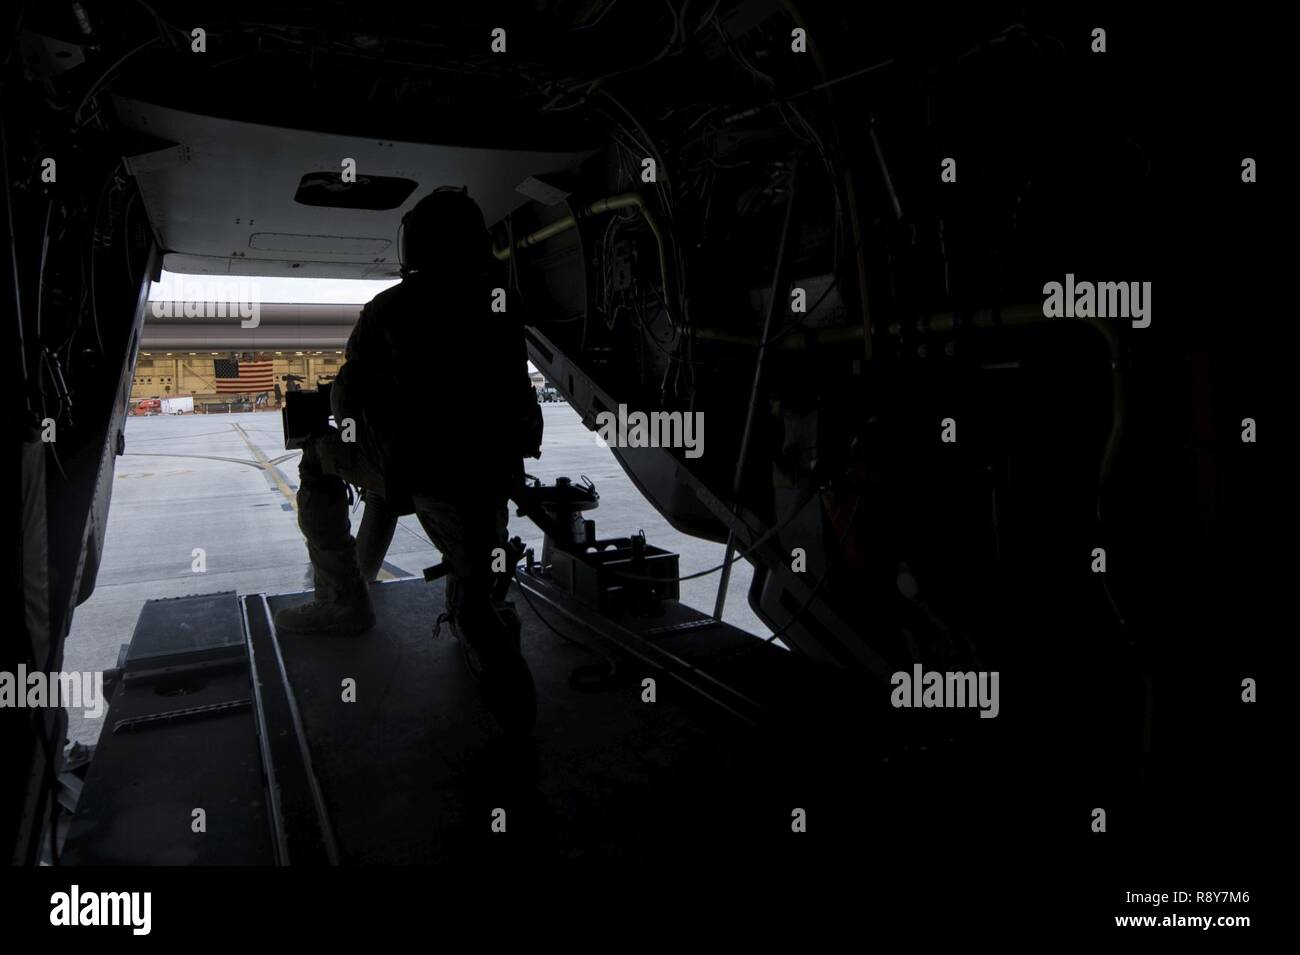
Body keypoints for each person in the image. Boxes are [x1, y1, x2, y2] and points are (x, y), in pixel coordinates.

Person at [275, 187, 543, 725]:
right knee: (477, 581)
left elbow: (347, 398)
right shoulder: (503, 302)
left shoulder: (390, 309)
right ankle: (477, 607)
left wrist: (364, 445)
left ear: (417, 245)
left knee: (314, 460)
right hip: (490, 474)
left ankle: (342, 598)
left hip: (419, 471)